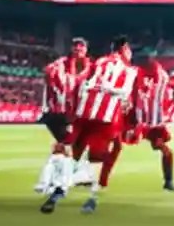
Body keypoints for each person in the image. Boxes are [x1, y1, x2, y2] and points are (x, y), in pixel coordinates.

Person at [42, 36, 138, 215]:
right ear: (124, 48)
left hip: (83, 113)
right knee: (96, 157)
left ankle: (57, 192)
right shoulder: (130, 70)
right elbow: (125, 93)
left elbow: (82, 83)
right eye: (129, 50)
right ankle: (91, 199)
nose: (130, 53)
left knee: (73, 154)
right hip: (104, 119)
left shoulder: (99, 61)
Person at [33, 37, 92, 194]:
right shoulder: (60, 66)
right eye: (75, 48)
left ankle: (54, 180)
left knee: (70, 144)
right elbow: (52, 75)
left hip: (70, 114)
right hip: (57, 113)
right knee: (67, 145)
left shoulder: (88, 67)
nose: (78, 51)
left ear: (86, 50)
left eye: (81, 49)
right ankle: (52, 181)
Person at [127, 52, 174, 191]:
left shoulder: (155, 74)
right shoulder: (142, 74)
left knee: (166, 151)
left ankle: (168, 181)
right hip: (136, 118)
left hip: (146, 121)